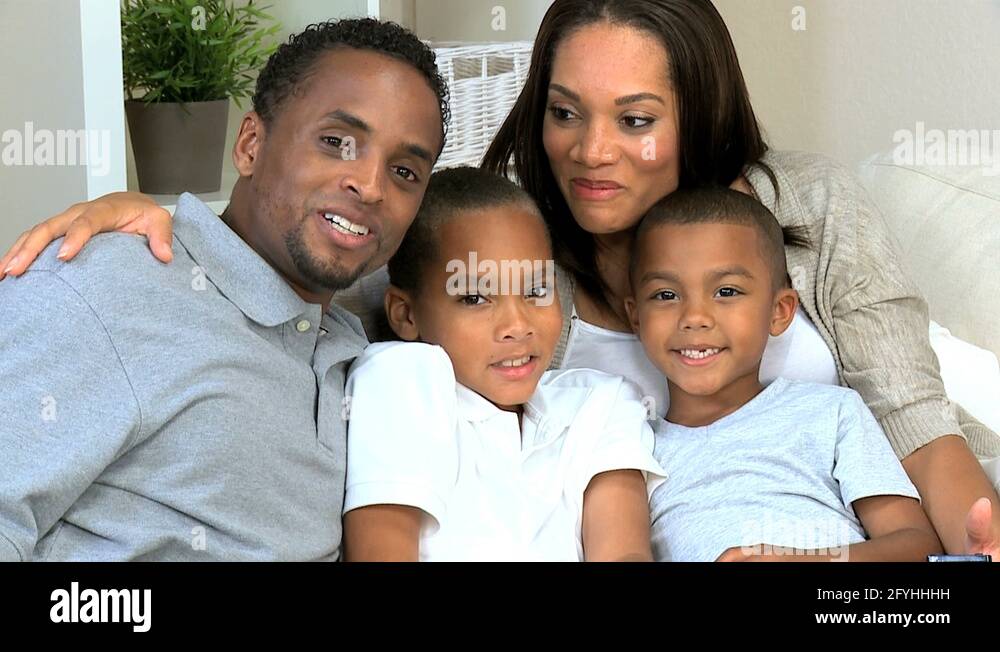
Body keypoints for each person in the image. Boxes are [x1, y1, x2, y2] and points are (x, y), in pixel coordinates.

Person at [4, 0, 998, 557]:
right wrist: (147, 213)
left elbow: (913, 413)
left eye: (636, 119)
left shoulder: (810, 209)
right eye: (565, 111)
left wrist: (970, 539)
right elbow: (319, 262)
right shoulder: (499, 247)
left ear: (695, 115)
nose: (591, 150)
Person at [0, 19, 448, 561]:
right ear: (251, 145)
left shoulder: (358, 337)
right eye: (336, 143)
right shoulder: (100, 285)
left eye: (404, 171)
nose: (371, 186)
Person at [342, 167, 663, 561]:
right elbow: (381, 552)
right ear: (406, 315)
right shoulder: (403, 380)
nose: (518, 325)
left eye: (536, 290)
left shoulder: (601, 405)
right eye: (475, 298)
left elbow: (623, 552)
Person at [624, 188, 941, 561]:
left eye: (726, 291)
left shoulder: (830, 412)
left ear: (779, 311)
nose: (695, 317)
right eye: (665, 295)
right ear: (636, 317)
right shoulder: (632, 450)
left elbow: (917, 545)